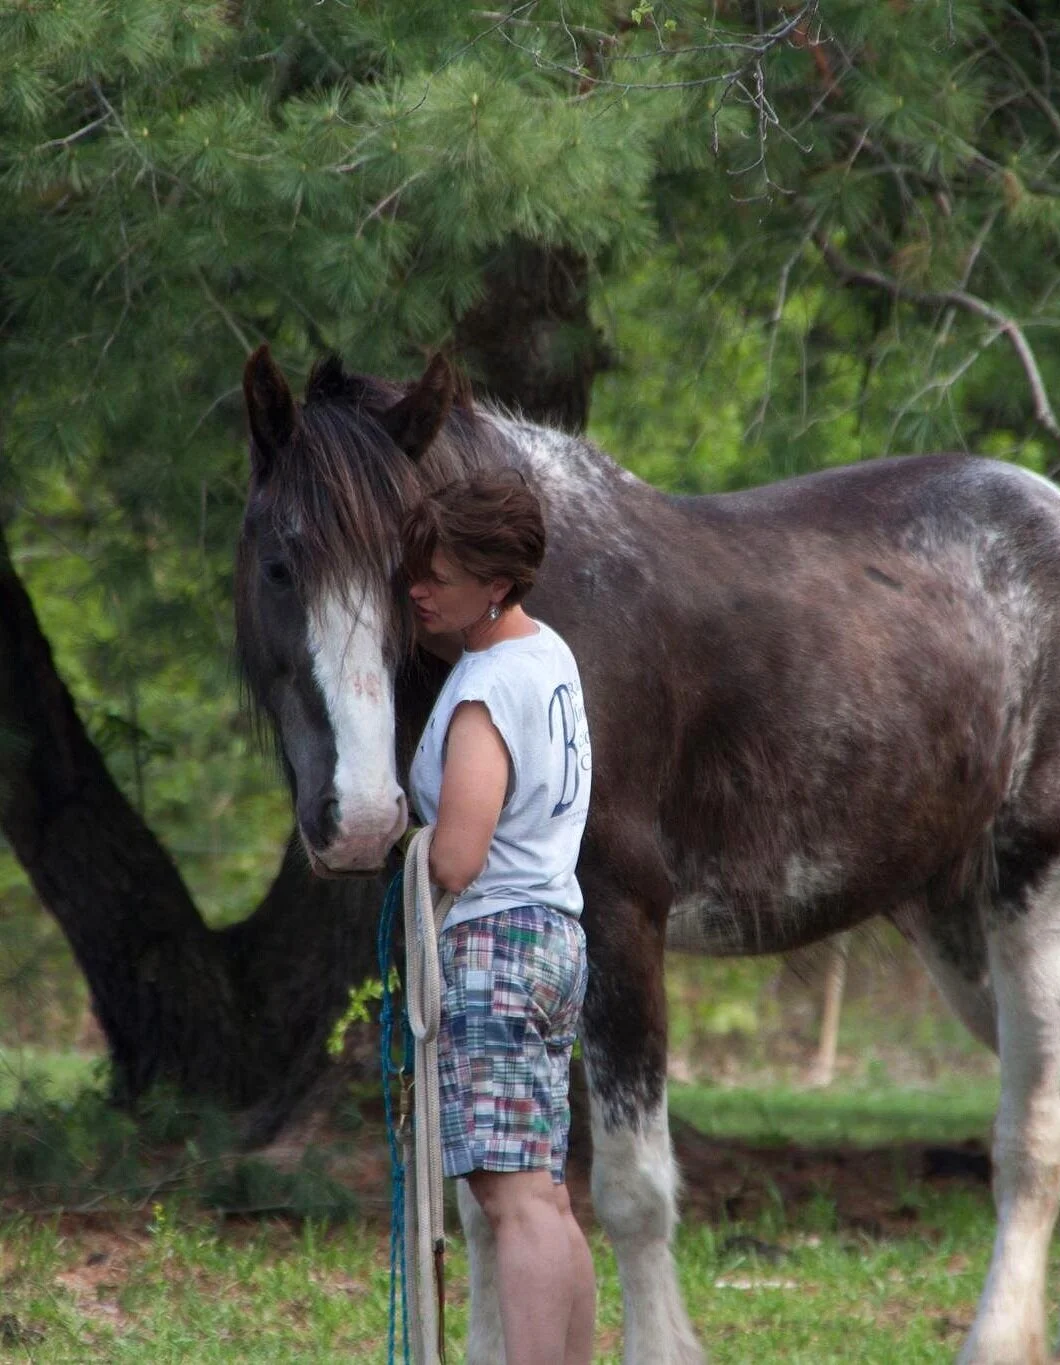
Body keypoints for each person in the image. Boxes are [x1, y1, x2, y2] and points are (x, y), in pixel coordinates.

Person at [402, 472, 594, 1365]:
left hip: (494, 947)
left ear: (495, 583)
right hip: (554, 937)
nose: (417, 586)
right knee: (546, 1194)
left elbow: (458, 854)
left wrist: (409, 841)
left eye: (437, 571)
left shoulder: (483, 684)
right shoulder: (548, 655)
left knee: (513, 1202)